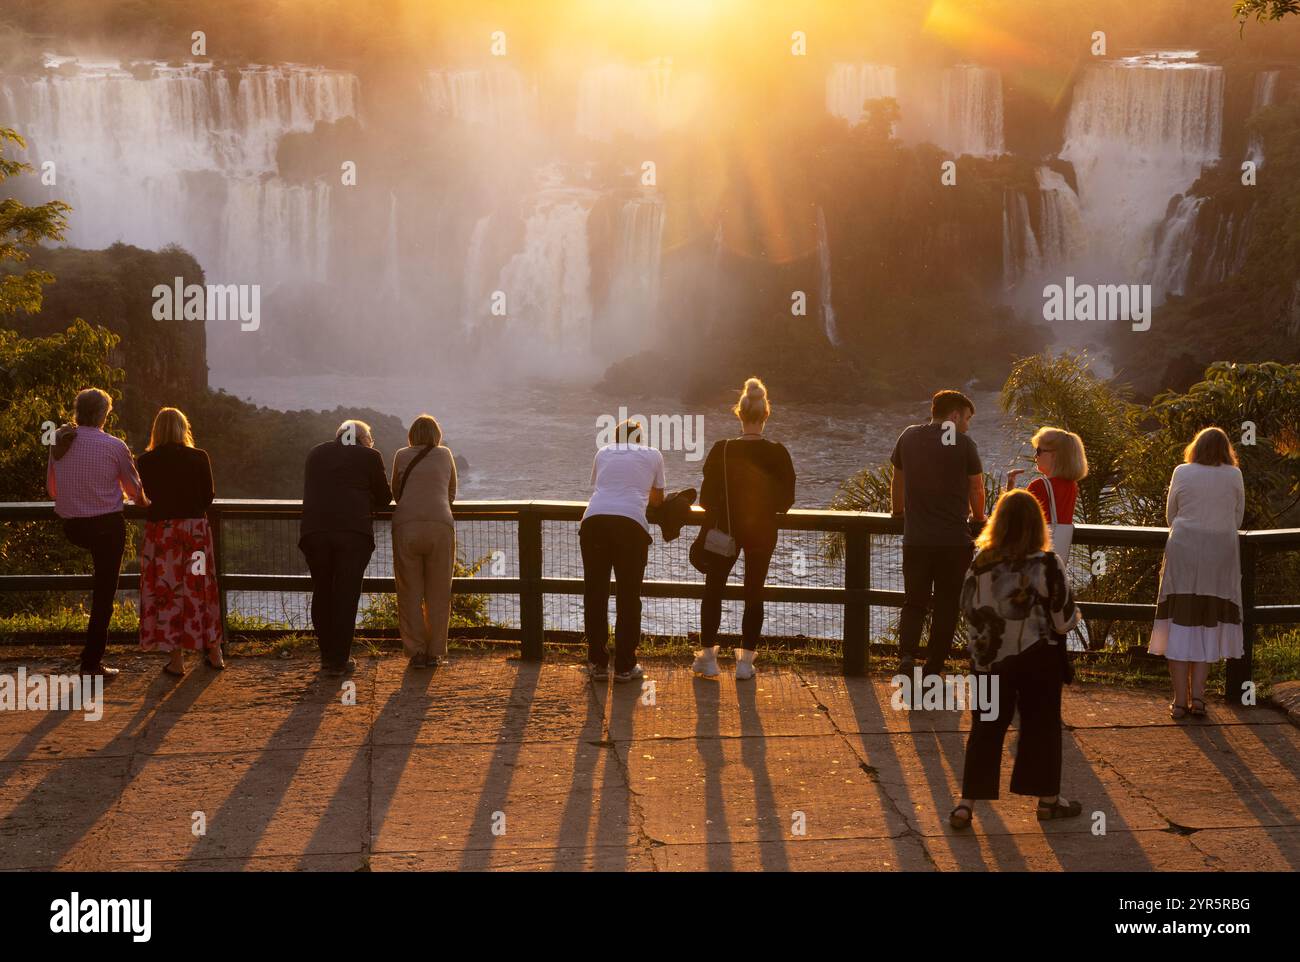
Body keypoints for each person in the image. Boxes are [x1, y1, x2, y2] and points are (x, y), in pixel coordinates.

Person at [949, 489, 1082, 830]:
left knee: (985, 729)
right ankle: (1048, 800)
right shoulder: (1047, 564)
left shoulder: (979, 561)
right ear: (1038, 525)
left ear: (999, 522)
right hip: (1038, 661)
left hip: (989, 661)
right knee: (1042, 726)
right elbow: (1063, 619)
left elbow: (965, 606)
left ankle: (966, 804)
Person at [693, 377, 796, 680]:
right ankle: (745, 662)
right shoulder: (778, 452)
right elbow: (786, 501)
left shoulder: (722, 450)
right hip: (762, 529)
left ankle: (709, 657)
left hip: (725, 529)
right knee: (755, 591)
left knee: (713, 589)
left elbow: (707, 498)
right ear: (766, 414)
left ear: (738, 413)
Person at [46, 388, 146, 679]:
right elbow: (134, 491)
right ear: (104, 414)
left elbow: (52, 490)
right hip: (106, 528)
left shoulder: (59, 443)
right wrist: (142, 501)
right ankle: (91, 663)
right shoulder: (114, 445)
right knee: (103, 595)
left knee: (99, 587)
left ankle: (90, 660)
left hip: (73, 528)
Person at [1150, 427, 1245, 720]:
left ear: (1195, 447)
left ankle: (1179, 701)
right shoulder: (1233, 475)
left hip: (1184, 550)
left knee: (1179, 624)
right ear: (1226, 450)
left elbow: (1171, 515)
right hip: (1220, 554)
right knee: (1208, 623)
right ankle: (1199, 699)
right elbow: (1237, 517)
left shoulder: (1182, 471)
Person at [890, 390, 986, 677]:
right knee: (946, 605)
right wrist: (979, 518)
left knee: (914, 601)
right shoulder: (964, 444)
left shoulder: (908, 436)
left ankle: (907, 656)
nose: (968, 425)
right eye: (967, 418)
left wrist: (898, 513)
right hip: (954, 542)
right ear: (954, 416)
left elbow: (898, 478)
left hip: (917, 539)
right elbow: (976, 488)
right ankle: (933, 667)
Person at [136, 407, 224, 675]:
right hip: (194, 533)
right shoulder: (199, 457)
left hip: (162, 534)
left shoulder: (146, 461)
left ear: (156, 430)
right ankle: (214, 652)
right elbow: (208, 497)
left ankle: (176, 660)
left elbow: (147, 495)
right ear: (183, 428)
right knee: (201, 587)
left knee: (166, 592)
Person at [299, 419, 391, 676]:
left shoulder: (316, 453)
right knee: (346, 595)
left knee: (323, 591)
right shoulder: (370, 456)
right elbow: (385, 498)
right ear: (364, 439)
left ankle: (327, 656)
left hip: (315, 531)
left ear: (338, 435)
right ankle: (340, 659)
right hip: (353, 533)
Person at [581, 418, 665, 683]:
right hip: (630, 525)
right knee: (629, 596)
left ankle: (597, 662)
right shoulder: (653, 455)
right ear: (639, 439)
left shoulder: (603, 452)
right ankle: (625, 666)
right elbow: (657, 499)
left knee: (595, 593)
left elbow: (599, 485)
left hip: (594, 521)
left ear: (616, 438)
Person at [390, 414, 458, 669]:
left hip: (406, 525)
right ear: (436, 434)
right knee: (439, 593)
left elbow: (396, 492)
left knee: (409, 592)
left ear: (411, 435)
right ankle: (435, 652)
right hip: (440, 525)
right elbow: (451, 492)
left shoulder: (400, 454)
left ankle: (416, 651)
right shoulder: (445, 454)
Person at [1007, 426, 1088, 561]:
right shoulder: (1072, 486)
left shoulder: (1039, 486)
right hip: (1057, 558)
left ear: (1054, 455)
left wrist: (1010, 489)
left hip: (1034, 556)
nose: (1035, 456)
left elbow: (1013, 520)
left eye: (1039, 451)